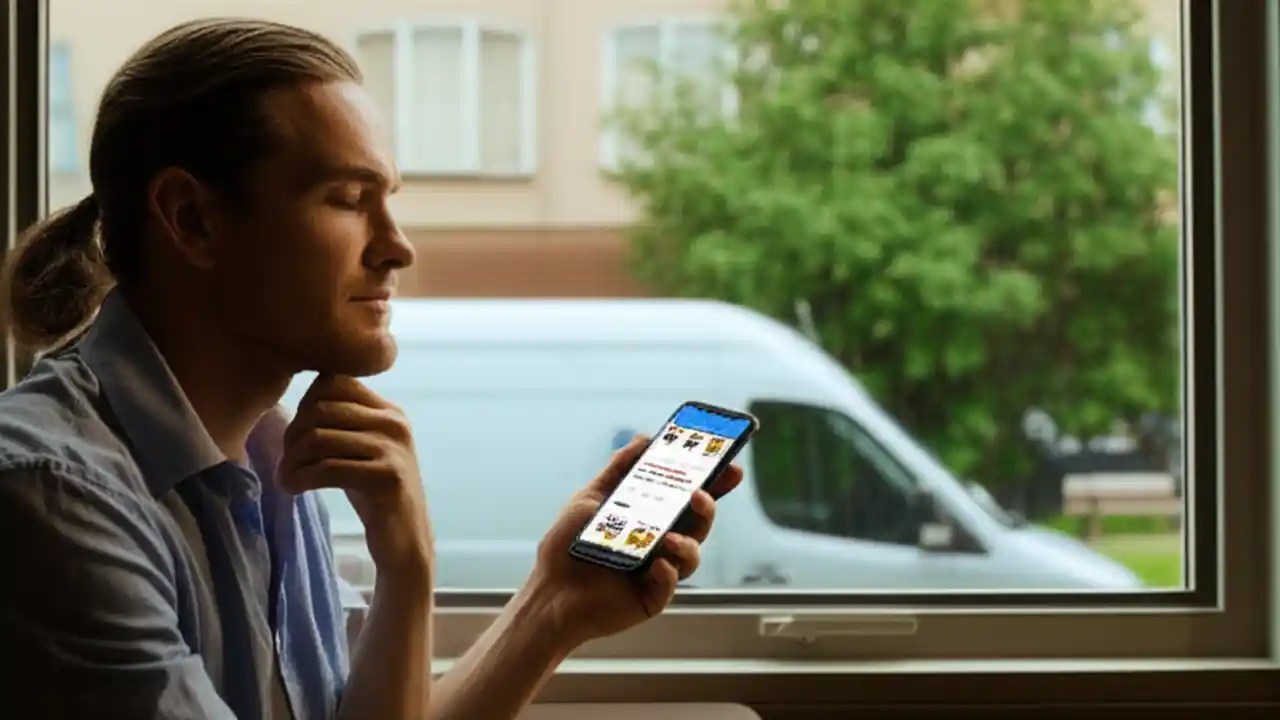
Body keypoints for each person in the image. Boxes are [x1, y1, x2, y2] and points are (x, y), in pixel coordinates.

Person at [0, 18, 741, 720]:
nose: (397, 247)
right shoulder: (53, 501)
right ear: (192, 220)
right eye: (350, 200)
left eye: (387, 199)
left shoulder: (275, 465)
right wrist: (412, 564)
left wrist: (550, 604)